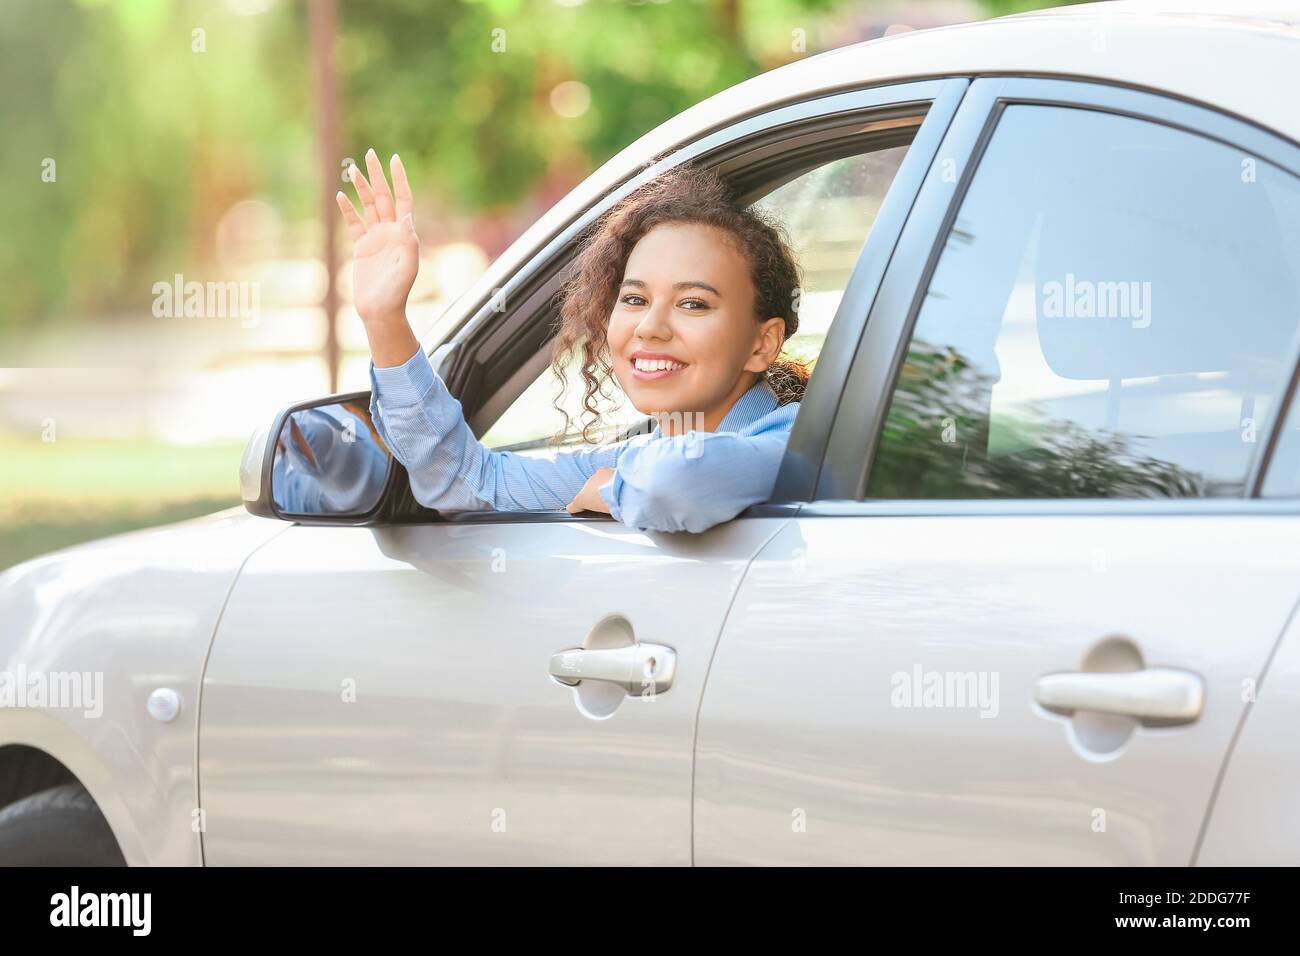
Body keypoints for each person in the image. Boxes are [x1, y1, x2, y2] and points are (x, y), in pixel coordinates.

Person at [336, 148, 811, 533]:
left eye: (692, 304)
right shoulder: (635, 458)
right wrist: (384, 319)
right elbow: (462, 481)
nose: (650, 327)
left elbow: (678, 481)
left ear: (762, 344)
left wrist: (609, 490)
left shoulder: (796, 440)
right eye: (634, 299)